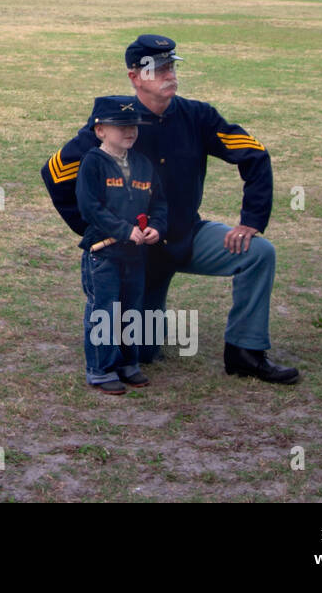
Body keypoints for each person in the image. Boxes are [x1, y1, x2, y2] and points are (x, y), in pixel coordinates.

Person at [41, 35, 300, 384]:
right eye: (157, 68)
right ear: (134, 77)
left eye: (171, 66)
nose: (169, 74)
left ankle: (245, 352)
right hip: (137, 256)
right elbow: (56, 173)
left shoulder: (198, 116)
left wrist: (251, 221)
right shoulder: (113, 124)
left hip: (185, 236)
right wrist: (101, 231)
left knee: (258, 253)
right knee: (143, 353)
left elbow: (254, 154)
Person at [75, 96, 168, 395]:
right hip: (104, 254)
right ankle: (101, 369)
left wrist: (156, 226)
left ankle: (129, 363)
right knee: (104, 310)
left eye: (133, 126)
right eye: (121, 126)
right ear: (100, 130)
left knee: (132, 309)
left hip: (135, 254)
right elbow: (90, 208)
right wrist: (124, 229)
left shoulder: (143, 164)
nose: (129, 132)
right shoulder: (93, 162)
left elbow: (160, 203)